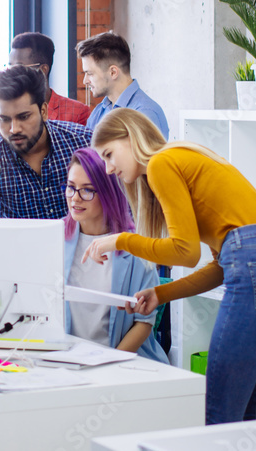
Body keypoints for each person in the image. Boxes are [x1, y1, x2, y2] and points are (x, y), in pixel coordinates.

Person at [82, 108, 256, 424]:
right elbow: (222, 267)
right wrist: (162, 294)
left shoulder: (161, 162)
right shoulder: (183, 156)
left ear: (129, 136)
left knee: (219, 412)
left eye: (108, 154)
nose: (108, 169)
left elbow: (184, 253)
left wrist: (119, 240)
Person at [63, 148, 169, 364]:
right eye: (71, 188)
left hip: (124, 362)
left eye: (87, 190)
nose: (75, 198)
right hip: (67, 361)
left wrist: (108, 364)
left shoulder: (135, 246)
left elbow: (144, 322)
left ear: (109, 193)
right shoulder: (54, 240)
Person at [0, 65, 91, 219]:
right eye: (4, 119)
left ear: (43, 112)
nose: (14, 129)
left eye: (24, 117)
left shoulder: (83, 142)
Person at [0, 32, 91, 133]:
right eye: (10, 66)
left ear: (43, 70)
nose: (12, 72)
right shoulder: (2, 112)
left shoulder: (77, 113)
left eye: (19, 67)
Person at [77, 31, 169, 139]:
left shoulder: (145, 114)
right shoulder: (99, 112)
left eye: (90, 73)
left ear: (113, 72)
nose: (85, 81)